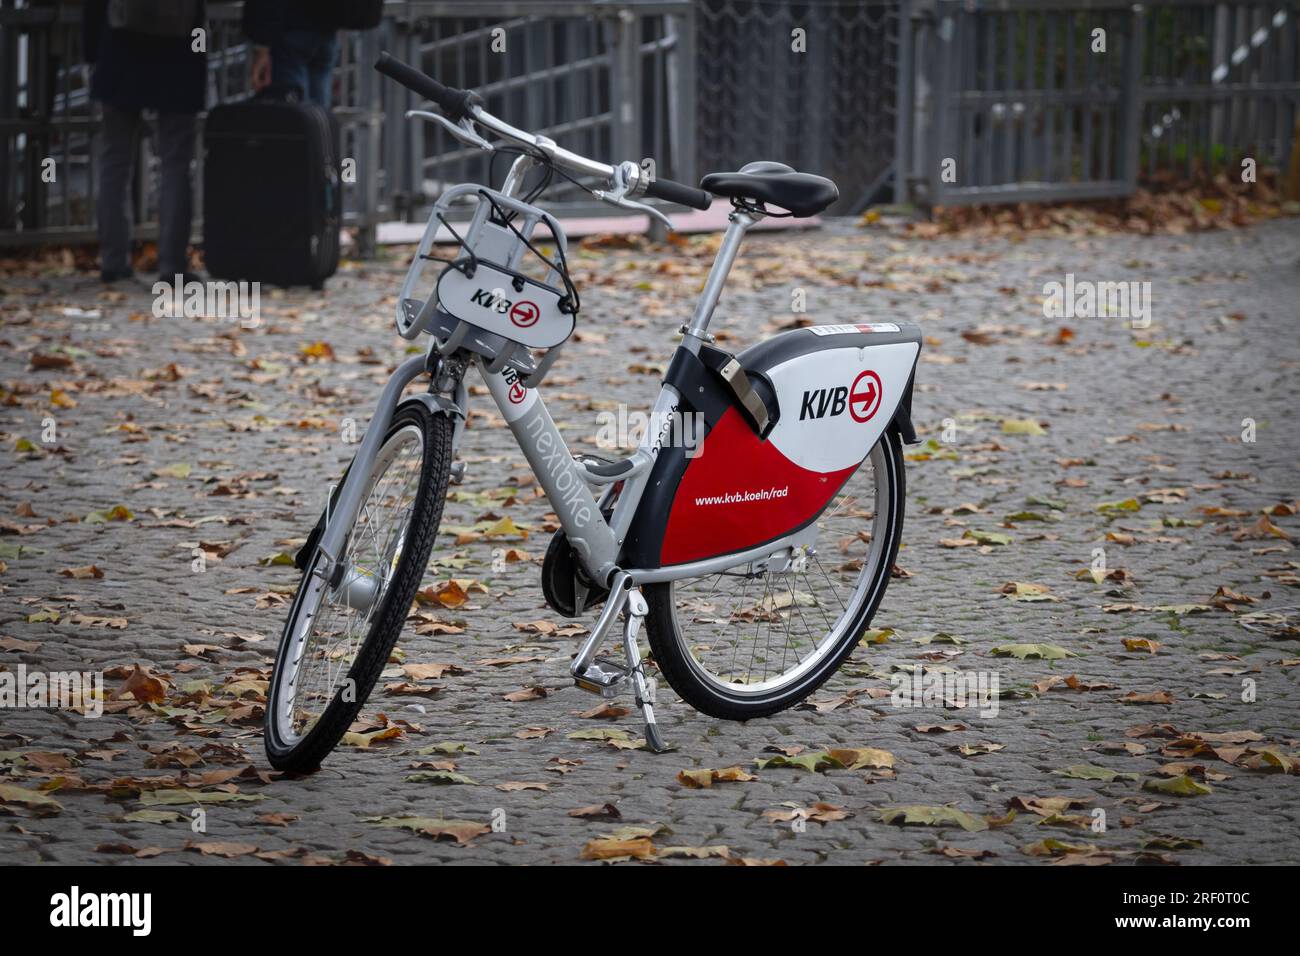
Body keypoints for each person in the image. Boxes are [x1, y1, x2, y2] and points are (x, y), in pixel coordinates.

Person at [84, 0, 206, 284]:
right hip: (180, 52)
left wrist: (92, 53)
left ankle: (114, 261)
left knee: (115, 159)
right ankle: (172, 265)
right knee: (176, 162)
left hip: (119, 48)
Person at [242, 1, 383, 108]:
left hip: (289, 29)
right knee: (317, 116)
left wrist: (262, 44)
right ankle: (319, 145)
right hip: (326, 28)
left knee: (293, 116)